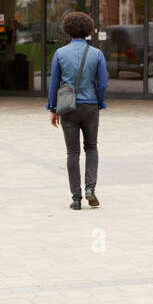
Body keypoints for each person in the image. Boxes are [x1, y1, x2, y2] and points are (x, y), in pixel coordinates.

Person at [47, 11, 108, 210]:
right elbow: (103, 84)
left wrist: (53, 108)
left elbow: (54, 82)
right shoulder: (97, 54)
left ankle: (76, 198)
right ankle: (90, 188)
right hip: (90, 106)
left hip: (68, 108)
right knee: (91, 148)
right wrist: (99, 102)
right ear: (88, 30)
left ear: (68, 30)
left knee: (72, 152)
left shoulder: (60, 53)